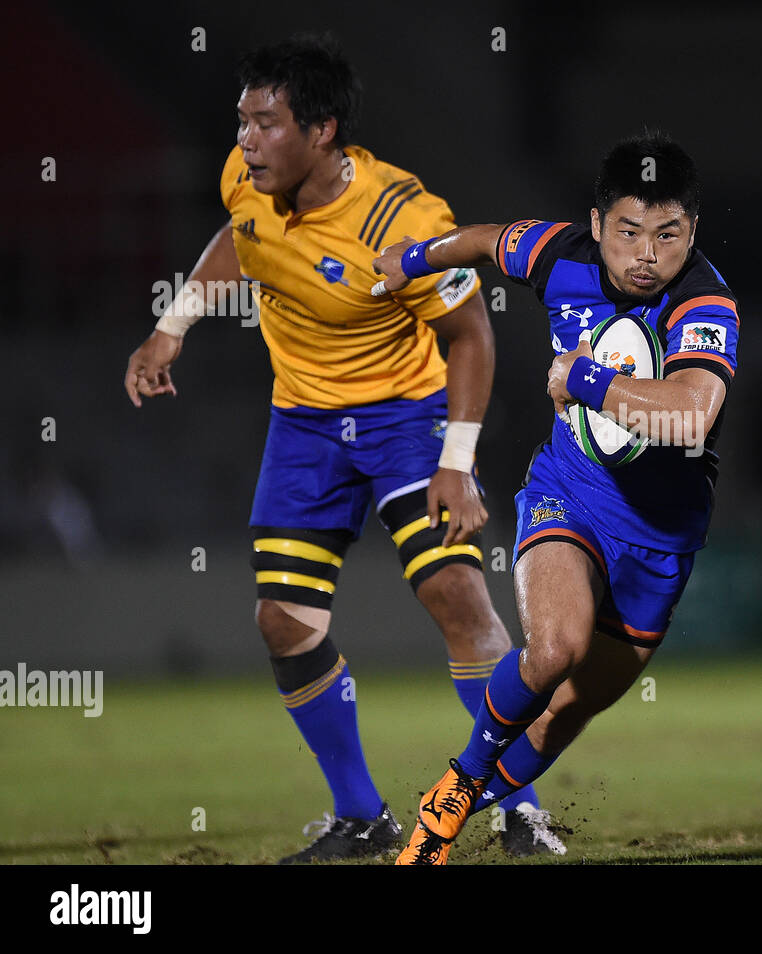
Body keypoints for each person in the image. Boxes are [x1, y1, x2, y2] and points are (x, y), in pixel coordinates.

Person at [122, 33, 557, 862]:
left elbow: (471, 335)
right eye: (242, 121)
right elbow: (239, 239)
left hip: (408, 418)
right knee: (283, 621)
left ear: (322, 130)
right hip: (306, 428)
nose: (246, 140)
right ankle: (361, 817)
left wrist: (456, 464)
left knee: (459, 602)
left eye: (266, 123)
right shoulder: (246, 178)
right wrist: (170, 328)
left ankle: (521, 809)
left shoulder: (404, 217)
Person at [370, 131, 740, 865]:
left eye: (667, 235)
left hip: (662, 541)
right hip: (568, 496)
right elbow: (481, 241)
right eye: (628, 231)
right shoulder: (557, 253)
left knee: (568, 711)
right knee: (556, 649)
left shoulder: (705, 300)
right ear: (598, 224)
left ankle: (465, 793)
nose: (645, 255)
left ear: (691, 231)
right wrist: (410, 261)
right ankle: (450, 800)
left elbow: (692, 413)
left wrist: (585, 379)